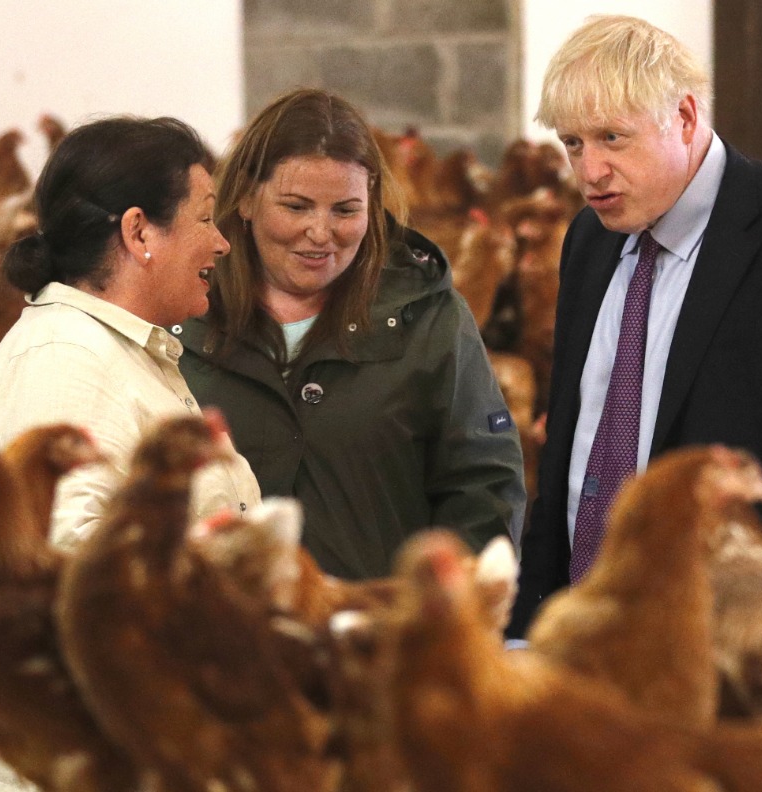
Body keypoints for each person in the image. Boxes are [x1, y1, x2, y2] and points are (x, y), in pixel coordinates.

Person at [507, 15, 762, 722]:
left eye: (612, 138)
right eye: (573, 144)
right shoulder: (589, 241)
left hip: (756, 661)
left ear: (684, 117)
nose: (589, 171)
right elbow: (575, 454)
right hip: (606, 657)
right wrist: (532, 625)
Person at [0, 116, 261, 791]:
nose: (222, 241)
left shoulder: (110, 353)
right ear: (139, 232)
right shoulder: (65, 360)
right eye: (206, 217)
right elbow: (73, 582)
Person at [176, 88, 525, 580]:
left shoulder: (427, 317)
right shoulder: (185, 313)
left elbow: (484, 485)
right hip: (224, 622)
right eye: (296, 207)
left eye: (345, 210)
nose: (321, 233)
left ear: (371, 204)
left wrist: (443, 603)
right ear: (248, 198)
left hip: (378, 622)